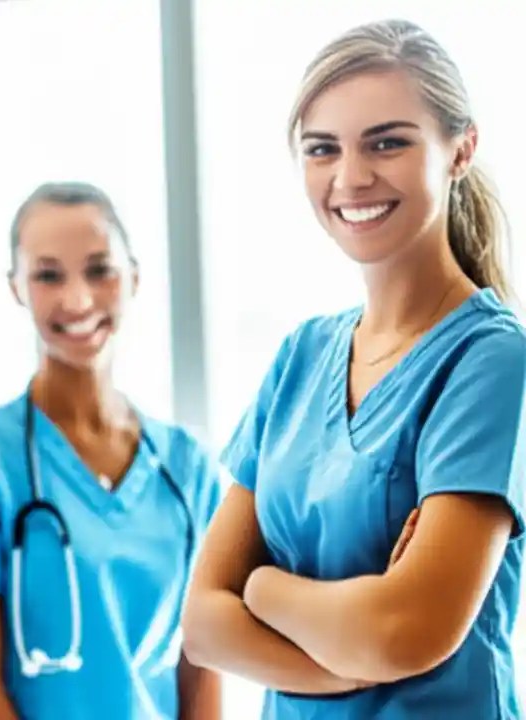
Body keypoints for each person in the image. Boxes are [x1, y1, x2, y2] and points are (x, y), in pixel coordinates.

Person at [182, 19, 525, 719]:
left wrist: (265, 591)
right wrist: (348, 659)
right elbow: (202, 625)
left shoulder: (493, 361)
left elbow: (404, 631)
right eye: (322, 150)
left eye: (387, 142)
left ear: (461, 150)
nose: (351, 177)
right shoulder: (300, 357)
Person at [0, 182, 224, 720]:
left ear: (134, 278)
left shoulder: (188, 466)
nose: (77, 299)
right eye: (48, 275)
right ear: (16, 287)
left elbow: (202, 667)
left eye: (100, 270)